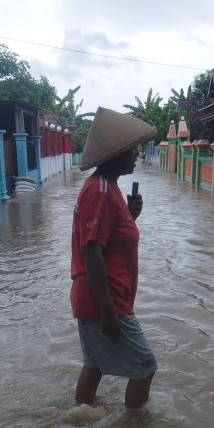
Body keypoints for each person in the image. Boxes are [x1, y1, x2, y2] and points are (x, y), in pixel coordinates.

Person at [70, 108, 159, 409]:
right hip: (104, 299)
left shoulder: (110, 189)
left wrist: (131, 217)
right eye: (130, 149)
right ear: (114, 154)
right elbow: (90, 251)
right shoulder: (101, 191)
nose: (135, 154)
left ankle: (80, 420)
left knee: (94, 364)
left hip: (100, 296)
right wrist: (108, 311)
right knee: (145, 366)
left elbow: (107, 240)